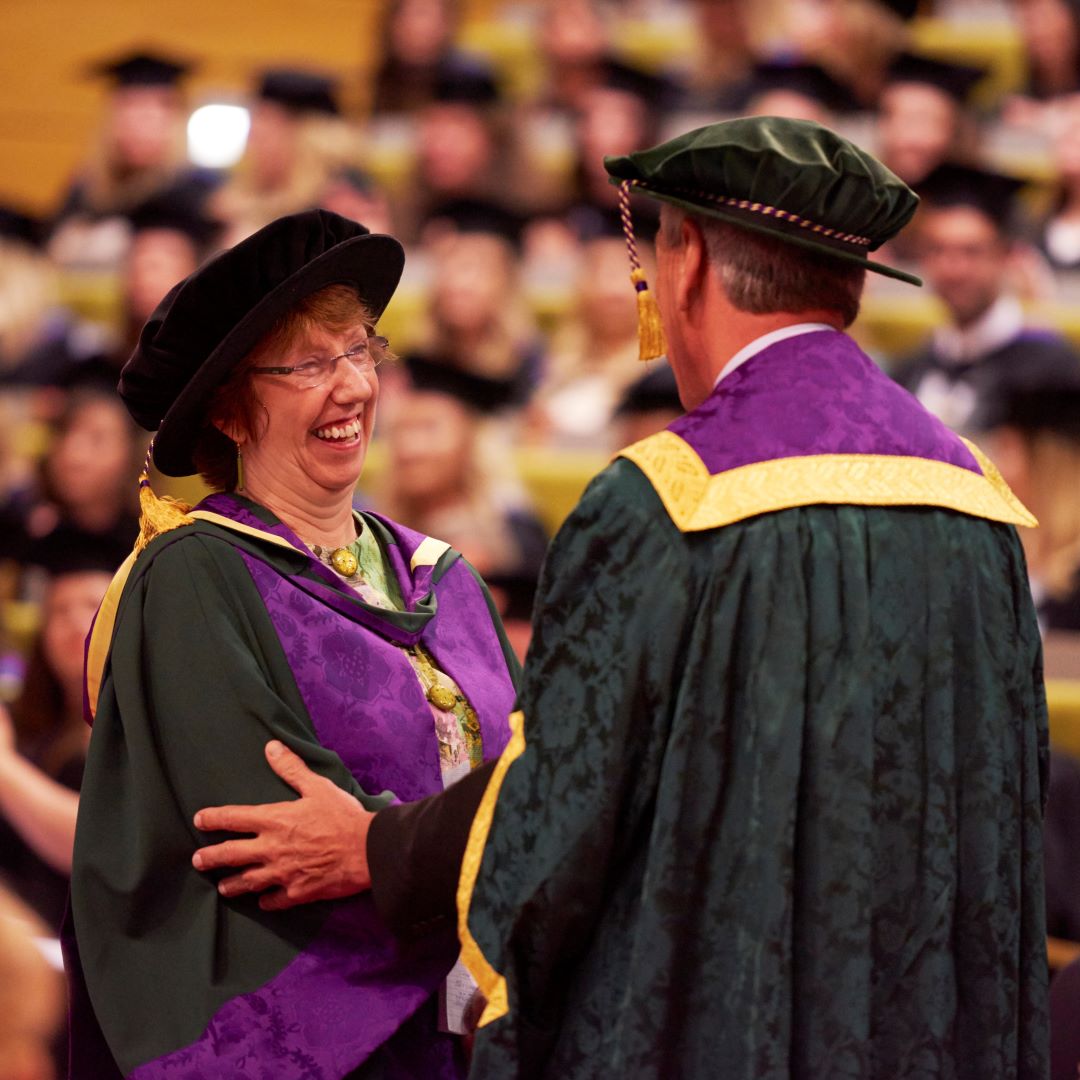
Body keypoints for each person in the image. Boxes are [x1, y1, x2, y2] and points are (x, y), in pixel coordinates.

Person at [193, 119, 1050, 1076]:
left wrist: (377, 850)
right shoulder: (970, 489)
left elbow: (566, 796)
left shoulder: (667, 497)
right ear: (846, 280)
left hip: (732, 1020)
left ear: (682, 263)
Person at [65, 210, 521, 1078]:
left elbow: (539, 777)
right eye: (310, 364)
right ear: (230, 414)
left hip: (483, 1033)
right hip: (334, 1045)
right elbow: (270, 845)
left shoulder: (445, 578)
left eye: (360, 350)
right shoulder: (196, 579)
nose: (351, 387)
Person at [894, 163, 1079, 432]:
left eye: (971, 252)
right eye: (938, 250)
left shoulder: (1053, 372)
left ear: (1005, 257)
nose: (953, 269)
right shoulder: (911, 370)